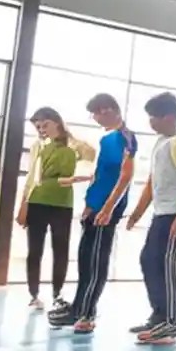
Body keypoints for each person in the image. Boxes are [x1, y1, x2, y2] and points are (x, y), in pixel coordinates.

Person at [48, 93, 138, 334]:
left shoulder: (126, 138)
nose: (96, 119)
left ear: (108, 110)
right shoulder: (107, 140)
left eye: (96, 113)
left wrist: (108, 208)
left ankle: (87, 314)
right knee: (85, 259)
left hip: (107, 210)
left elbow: (126, 176)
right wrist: (89, 205)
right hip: (95, 208)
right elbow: (101, 175)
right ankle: (78, 307)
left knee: (97, 261)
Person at [124, 92, 176, 345]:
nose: (151, 122)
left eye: (154, 117)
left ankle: (171, 322)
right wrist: (137, 212)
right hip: (162, 212)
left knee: (165, 263)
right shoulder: (161, 143)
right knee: (148, 260)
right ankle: (159, 316)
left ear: (169, 117)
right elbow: (152, 182)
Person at [17, 107, 95, 311]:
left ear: (57, 122)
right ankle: (33, 295)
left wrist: (72, 140)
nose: (42, 129)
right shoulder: (37, 146)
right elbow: (31, 177)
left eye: (45, 125)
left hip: (62, 203)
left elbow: (90, 156)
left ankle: (57, 294)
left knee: (61, 250)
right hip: (37, 201)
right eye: (38, 126)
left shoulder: (72, 145)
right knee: (35, 250)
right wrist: (22, 205)